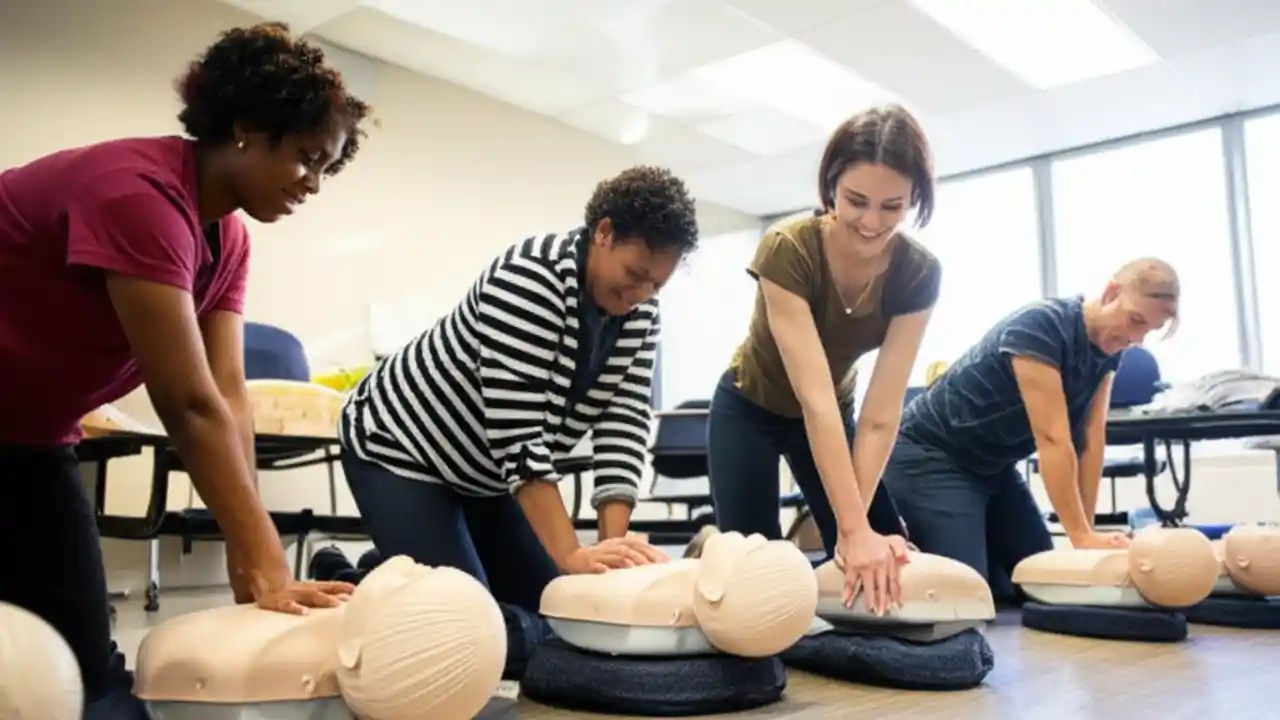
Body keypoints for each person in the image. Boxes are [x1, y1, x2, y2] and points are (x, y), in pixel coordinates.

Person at [0, 23, 370, 717]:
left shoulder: (226, 237)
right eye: (305, 157)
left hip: (31, 441)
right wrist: (262, 556)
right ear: (246, 128)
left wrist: (248, 552)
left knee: (90, 680)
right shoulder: (134, 193)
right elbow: (187, 402)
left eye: (328, 168)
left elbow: (230, 396)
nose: (315, 184)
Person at [330, 166, 699, 611]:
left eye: (657, 284)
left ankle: (386, 564)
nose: (642, 293)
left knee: (546, 608)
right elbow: (519, 437)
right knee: (467, 620)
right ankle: (352, 576)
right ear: (604, 232)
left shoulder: (641, 314)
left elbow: (623, 421)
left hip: (485, 474)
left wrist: (612, 557)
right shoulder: (531, 277)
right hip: (402, 448)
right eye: (635, 273)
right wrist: (571, 556)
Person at [706, 104, 942, 616]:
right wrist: (851, 529)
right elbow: (812, 398)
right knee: (757, 572)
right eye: (856, 200)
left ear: (913, 200)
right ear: (830, 185)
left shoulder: (918, 272)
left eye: (892, 206)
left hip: (838, 412)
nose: (871, 222)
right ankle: (712, 544)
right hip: (751, 407)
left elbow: (880, 414)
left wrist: (857, 531)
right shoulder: (787, 249)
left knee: (887, 550)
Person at [880, 258, 1180, 601]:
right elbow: (1052, 437)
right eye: (1136, 320)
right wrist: (1079, 535)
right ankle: (905, 545)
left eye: (1148, 330)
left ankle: (978, 550)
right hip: (929, 458)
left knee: (1039, 583)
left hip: (992, 468)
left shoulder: (1110, 347)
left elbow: (1091, 438)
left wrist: (1087, 533)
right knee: (966, 594)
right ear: (1112, 292)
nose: (1136, 337)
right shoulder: (1041, 326)